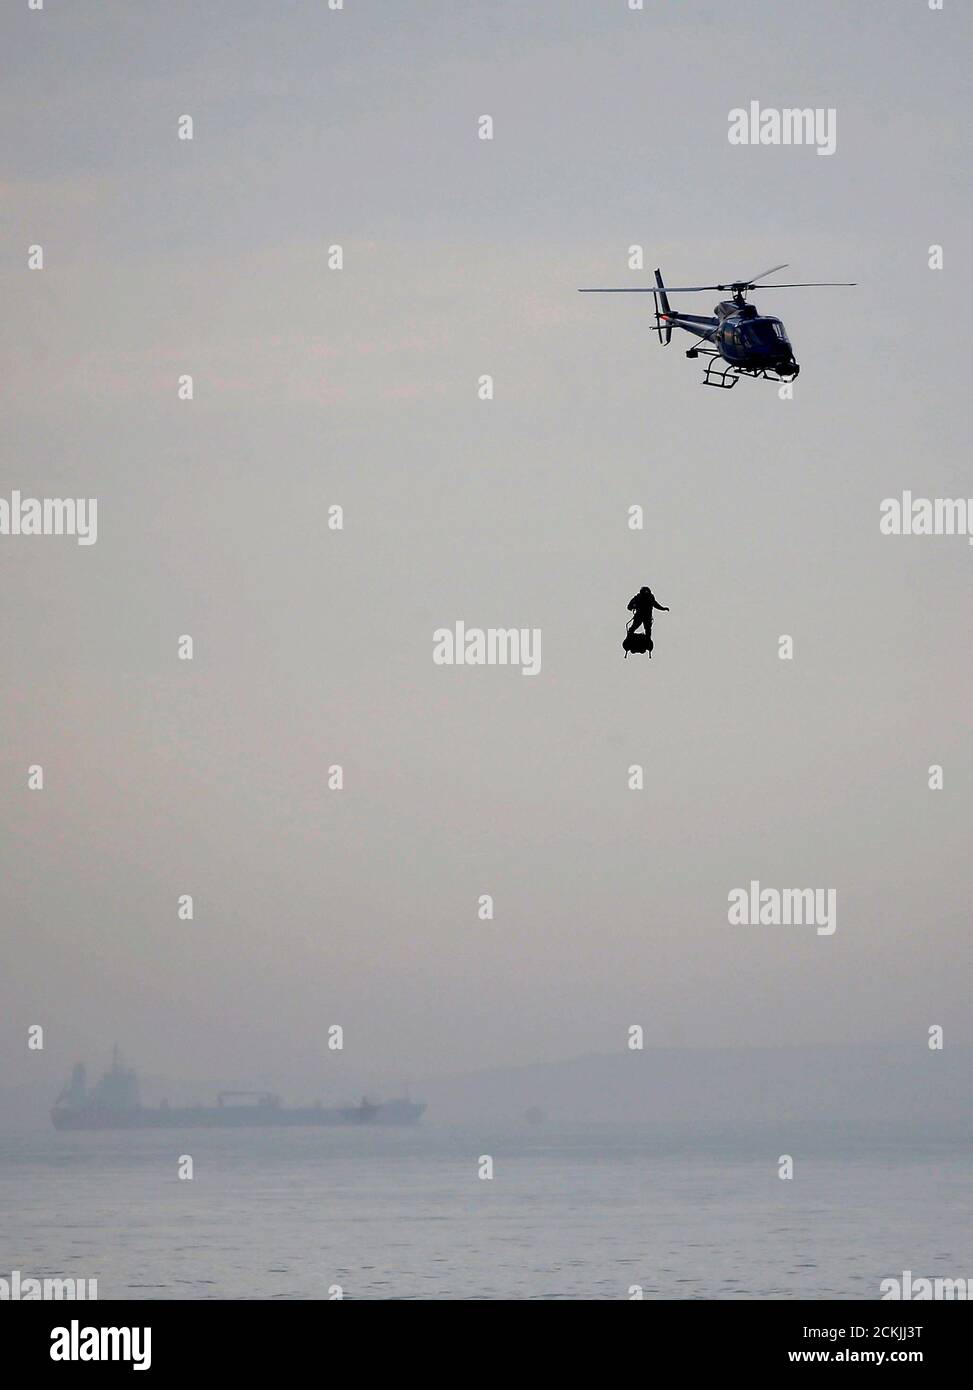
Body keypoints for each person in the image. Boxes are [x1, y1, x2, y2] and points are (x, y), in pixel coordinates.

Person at [626, 586, 669, 652]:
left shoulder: (650, 598)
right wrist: (634, 606)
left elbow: (656, 605)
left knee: (647, 629)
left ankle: (647, 640)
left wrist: (663, 608)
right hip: (640, 616)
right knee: (635, 627)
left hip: (646, 617)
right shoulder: (638, 598)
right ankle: (629, 639)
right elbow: (629, 607)